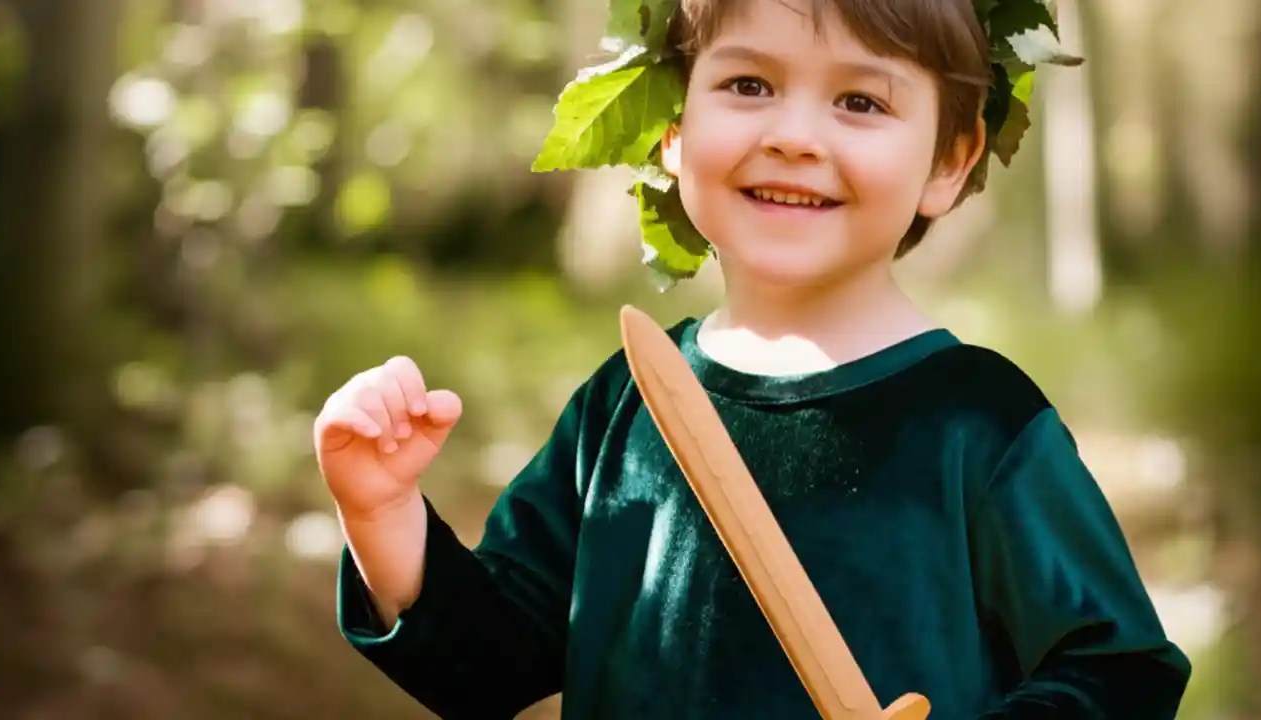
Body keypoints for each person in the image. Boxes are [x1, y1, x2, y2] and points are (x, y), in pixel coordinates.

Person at [313, 0, 1192, 717]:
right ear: (670, 130)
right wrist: (385, 515)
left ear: (949, 161)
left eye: (860, 102)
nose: (794, 136)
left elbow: (1120, 670)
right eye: (747, 83)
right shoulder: (627, 403)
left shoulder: (977, 423)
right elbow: (487, 667)